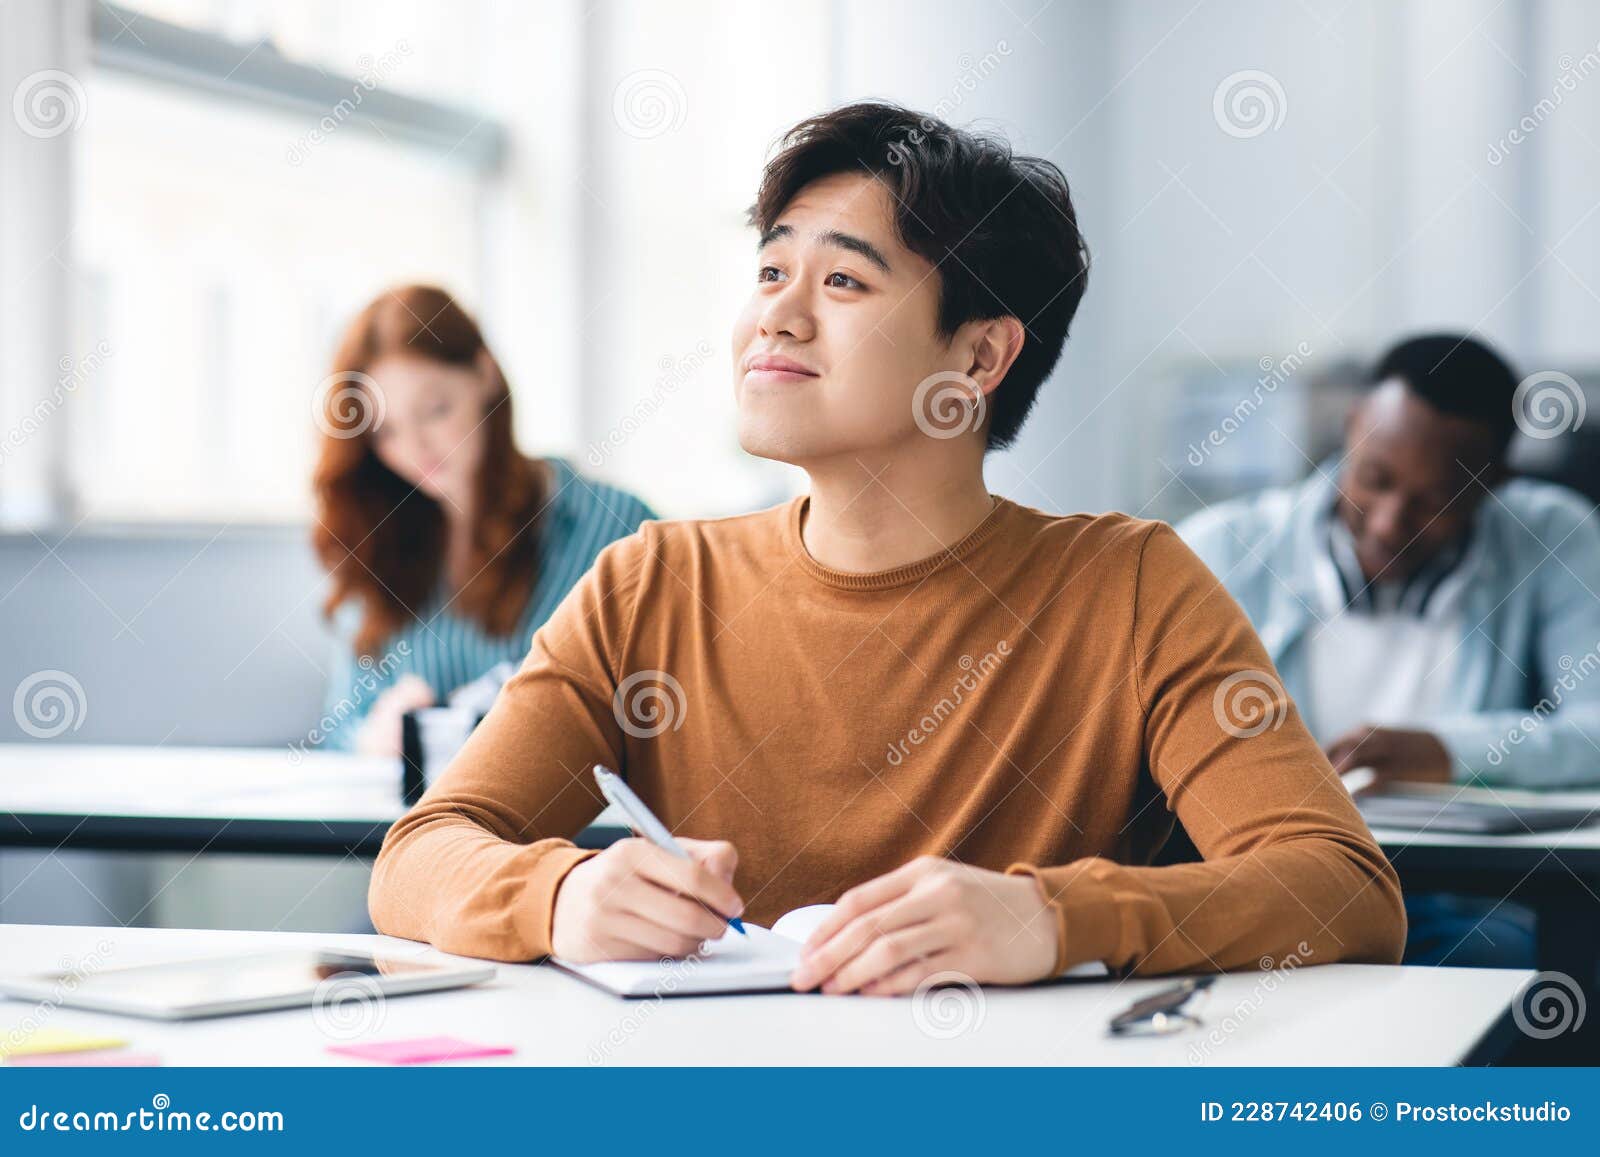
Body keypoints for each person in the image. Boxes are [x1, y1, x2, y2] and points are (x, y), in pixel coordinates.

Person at [369, 103, 1404, 991]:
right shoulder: (651, 582)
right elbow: (416, 857)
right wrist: (561, 891)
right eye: (770, 268)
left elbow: (1342, 889)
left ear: (980, 353)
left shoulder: (1130, 585)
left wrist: (1052, 918)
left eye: (844, 283)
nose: (774, 312)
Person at [1179, 334, 1600, 965]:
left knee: (1504, 966)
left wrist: (1444, 751)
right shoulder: (1220, 546)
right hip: (1263, 887)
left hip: (1448, 900)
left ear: (1495, 483)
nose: (1387, 523)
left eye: (1435, 503)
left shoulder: (1551, 537)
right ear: (1351, 430)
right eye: (1373, 479)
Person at [311, 285, 655, 755]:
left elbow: (670, 715)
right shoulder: (381, 539)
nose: (415, 449)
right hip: (423, 822)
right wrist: (378, 734)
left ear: (484, 375)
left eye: (434, 410)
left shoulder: (615, 526)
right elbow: (341, 727)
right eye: (386, 431)